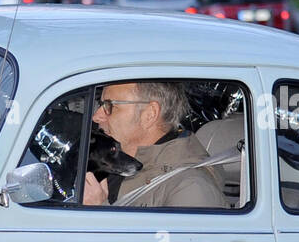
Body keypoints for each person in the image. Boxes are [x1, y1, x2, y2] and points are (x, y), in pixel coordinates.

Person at [82, 81, 228, 209]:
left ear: (150, 114)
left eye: (109, 106)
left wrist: (98, 210)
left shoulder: (191, 188)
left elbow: (185, 241)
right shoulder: (110, 164)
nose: (96, 117)